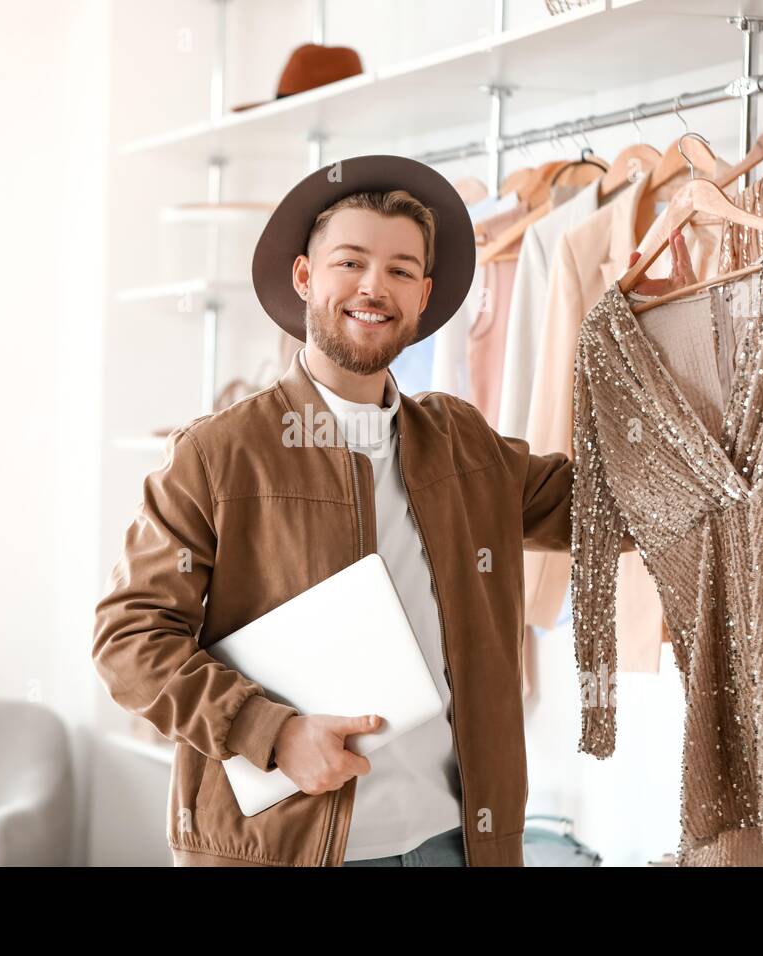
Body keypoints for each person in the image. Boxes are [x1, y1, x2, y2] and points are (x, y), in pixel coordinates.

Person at [93, 154, 695, 867]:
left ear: (424, 297)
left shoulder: (461, 442)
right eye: (351, 262)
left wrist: (705, 370)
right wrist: (272, 732)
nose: (375, 286)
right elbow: (128, 640)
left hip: (457, 843)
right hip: (284, 850)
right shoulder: (218, 455)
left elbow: (604, 509)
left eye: (402, 270)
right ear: (305, 277)